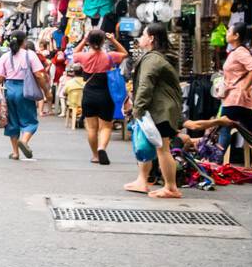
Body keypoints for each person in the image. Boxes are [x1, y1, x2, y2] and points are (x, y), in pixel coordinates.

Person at [123, 24, 184, 198]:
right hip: (158, 108)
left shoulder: (153, 59)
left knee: (162, 148)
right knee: (149, 143)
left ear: (151, 38)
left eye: (143, 35)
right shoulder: (158, 57)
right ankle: (142, 180)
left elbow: (145, 85)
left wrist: (137, 108)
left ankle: (171, 187)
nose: (140, 38)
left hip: (160, 110)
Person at [71, 28, 128, 165]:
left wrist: (84, 40)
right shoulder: (110, 56)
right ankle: (102, 147)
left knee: (91, 128)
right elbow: (124, 53)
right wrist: (113, 39)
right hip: (105, 94)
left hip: (89, 94)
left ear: (89, 42)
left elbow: (74, 54)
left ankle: (95, 155)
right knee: (106, 127)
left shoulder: (84, 56)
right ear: (103, 41)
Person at [0, 31, 48, 160]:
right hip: (25, 90)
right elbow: (38, 75)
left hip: (9, 90)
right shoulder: (30, 55)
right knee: (30, 120)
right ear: (24, 41)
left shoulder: (5, 56)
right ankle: (24, 141)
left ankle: (15, 153)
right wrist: (46, 91)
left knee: (12, 122)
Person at [218, 24, 252, 164]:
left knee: (224, 127)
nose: (227, 33)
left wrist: (244, 87)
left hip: (235, 98)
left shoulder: (240, 51)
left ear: (236, 36)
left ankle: (216, 161)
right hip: (237, 98)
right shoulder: (237, 51)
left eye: (229, 31)